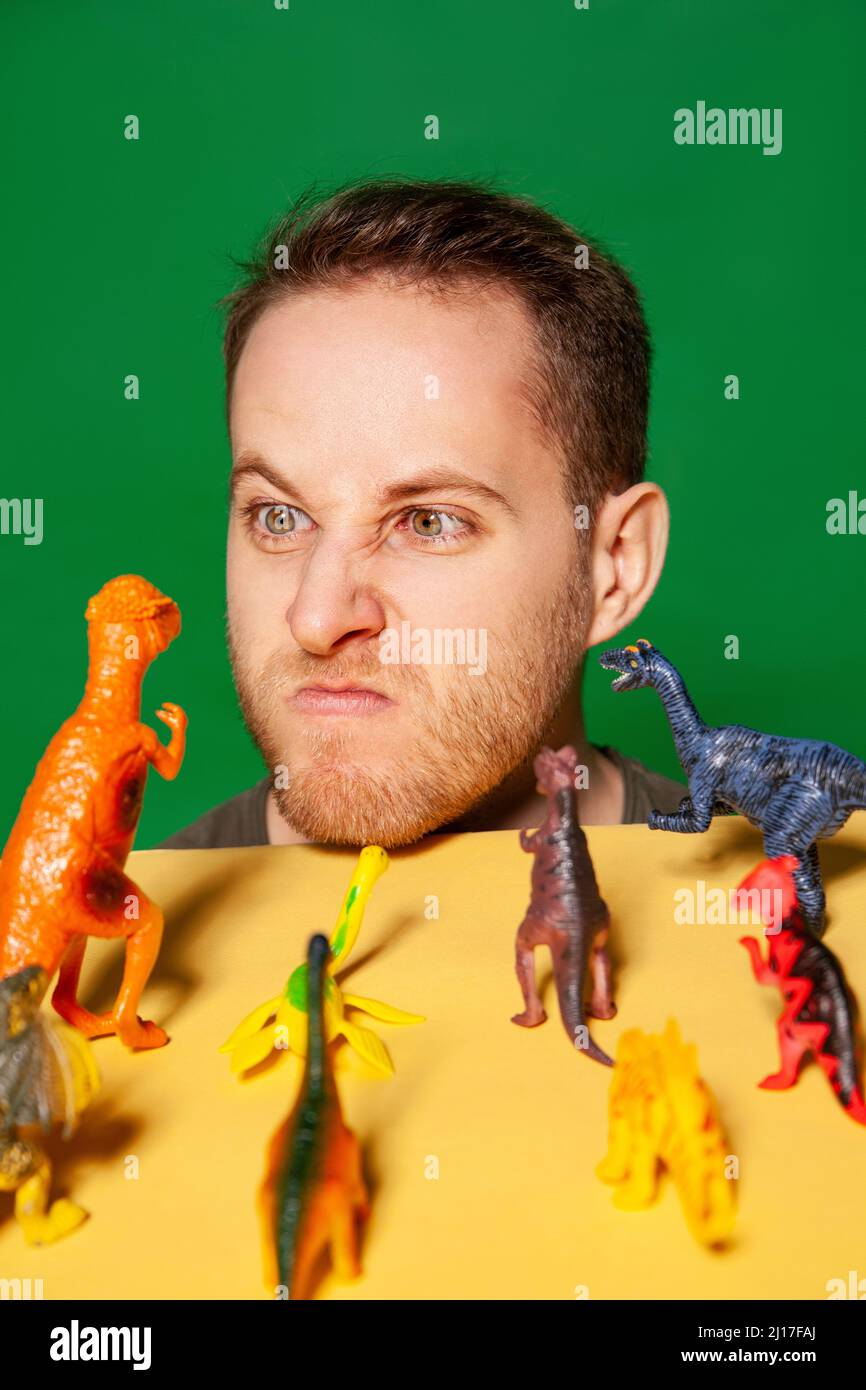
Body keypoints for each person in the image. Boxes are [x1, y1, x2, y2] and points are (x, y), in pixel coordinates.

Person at [160, 177, 684, 850]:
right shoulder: (106, 919)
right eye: (280, 517)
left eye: (429, 522)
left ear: (614, 564)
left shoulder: (795, 903)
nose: (317, 620)